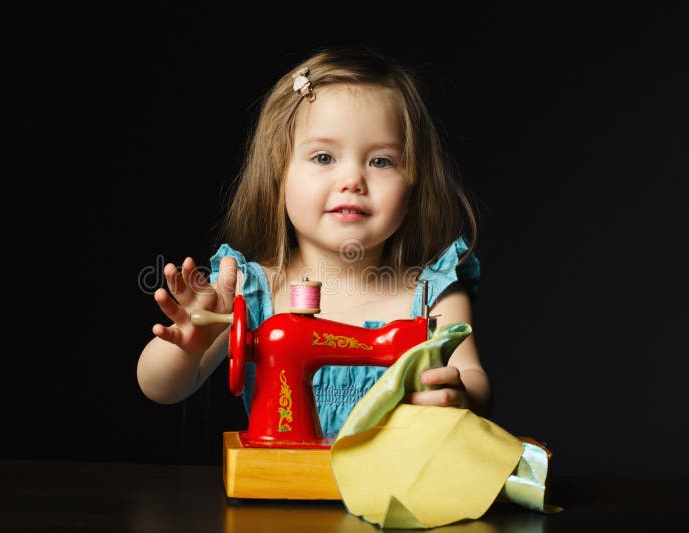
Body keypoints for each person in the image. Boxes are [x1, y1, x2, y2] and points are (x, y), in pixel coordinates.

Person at [137, 47, 490, 438]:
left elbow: (474, 381)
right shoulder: (250, 291)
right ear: (279, 173)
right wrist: (189, 346)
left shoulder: (433, 296)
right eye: (323, 157)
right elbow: (160, 388)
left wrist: (460, 397)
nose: (352, 180)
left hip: (394, 494)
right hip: (282, 490)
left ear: (415, 182)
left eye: (381, 161)